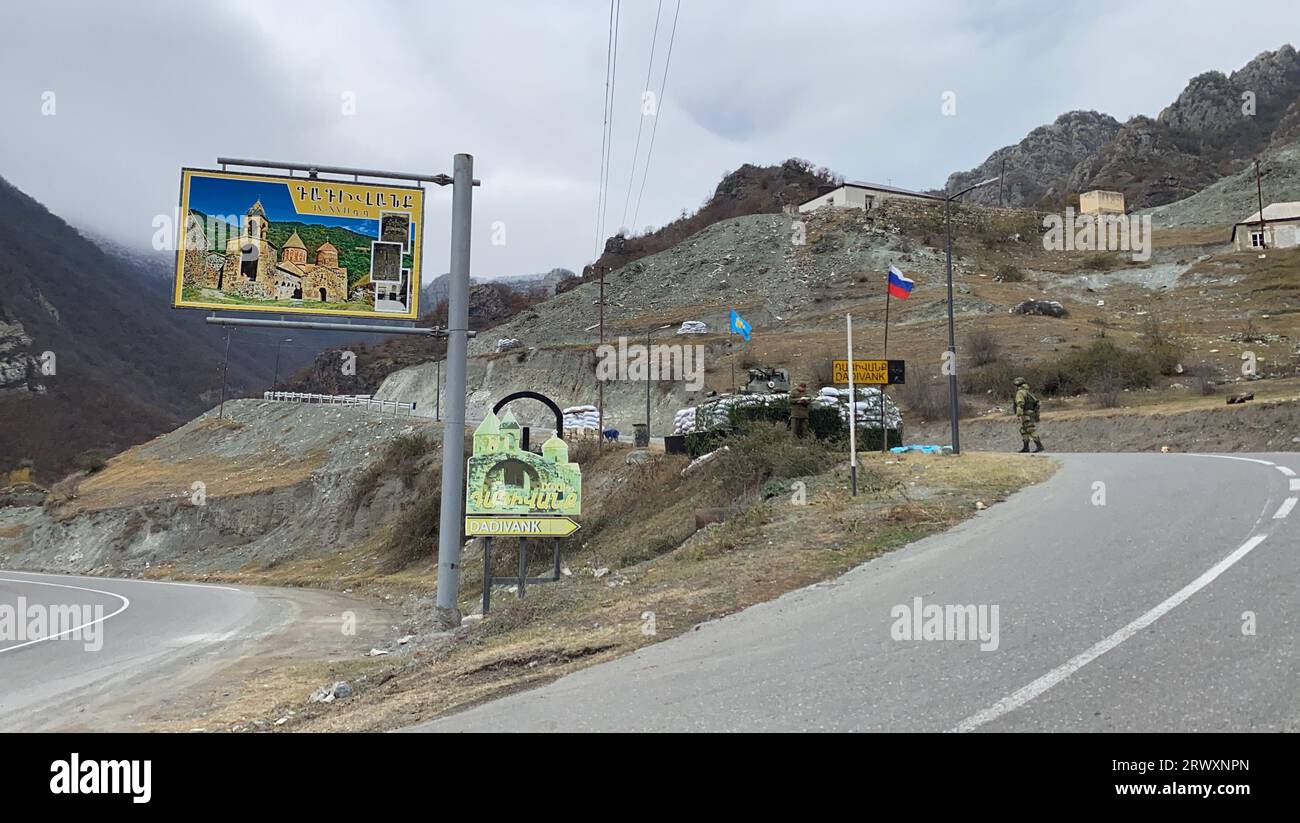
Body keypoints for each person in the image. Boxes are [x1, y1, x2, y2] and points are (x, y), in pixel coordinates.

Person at [1012, 377, 1044, 453]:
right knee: (1024, 430)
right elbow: (1037, 403)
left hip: (1026, 413)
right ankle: (1026, 447)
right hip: (1030, 413)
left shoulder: (1020, 392)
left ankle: (1039, 446)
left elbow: (1020, 403)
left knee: (1030, 429)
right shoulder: (1027, 392)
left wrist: (1019, 413)